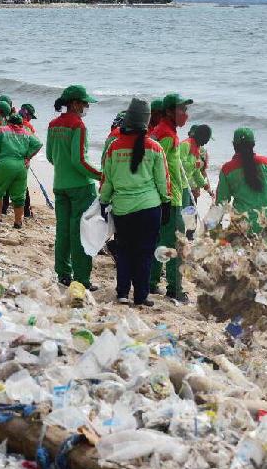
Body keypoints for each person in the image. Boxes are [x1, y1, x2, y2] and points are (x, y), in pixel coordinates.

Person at [99, 98, 171, 306]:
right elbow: (163, 181)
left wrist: (104, 202)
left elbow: (107, 180)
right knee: (145, 253)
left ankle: (122, 293)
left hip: (122, 209)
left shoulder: (114, 147)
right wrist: (166, 203)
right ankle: (141, 296)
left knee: (124, 251)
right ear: (147, 123)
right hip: (149, 209)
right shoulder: (155, 148)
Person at [46, 85, 102, 289]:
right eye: (85, 103)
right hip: (81, 187)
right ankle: (82, 279)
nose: (87, 106)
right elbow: (80, 160)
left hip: (60, 184)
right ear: (75, 104)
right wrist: (101, 175)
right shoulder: (78, 125)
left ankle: (63, 273)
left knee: (63, 232)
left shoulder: (53, 125)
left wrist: (64, 169)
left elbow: (50, 157)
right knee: (81, 233)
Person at [148, 93, 193, 303]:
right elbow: (157, 166)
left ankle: (151, 281)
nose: (185, 114)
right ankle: (175, 289)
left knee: (160, 239)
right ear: (169, 112)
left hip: (164, 196)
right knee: (177, 244)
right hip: (171, 197)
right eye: (182, 110)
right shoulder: (166, 134)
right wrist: (166, 197)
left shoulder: (163, 131)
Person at [215, 127, 267, 233]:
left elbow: (221, 203)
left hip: (244, 227)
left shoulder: (227, 169)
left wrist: (216, 229)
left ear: (234, 146)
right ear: (253, 144)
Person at [0, 113, 43, 228]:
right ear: (21, 124)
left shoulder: (2, 130)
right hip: (21, 166)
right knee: (19, 195)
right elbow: (38, 144)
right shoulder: (26, 132)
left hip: (5, 163)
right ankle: (18, 222)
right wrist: (28, 156)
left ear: (9, 122)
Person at [2, 103, 39, 217]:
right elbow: (35, 144)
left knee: (6, 183)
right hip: (22, 160)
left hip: (7, 157)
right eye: (30, 117)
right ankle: (26, 212)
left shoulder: (9, 121)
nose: (30, 119)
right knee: (22, 186)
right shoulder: (29, 127)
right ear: (27, 115)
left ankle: (3, 209)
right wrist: (28, 156)